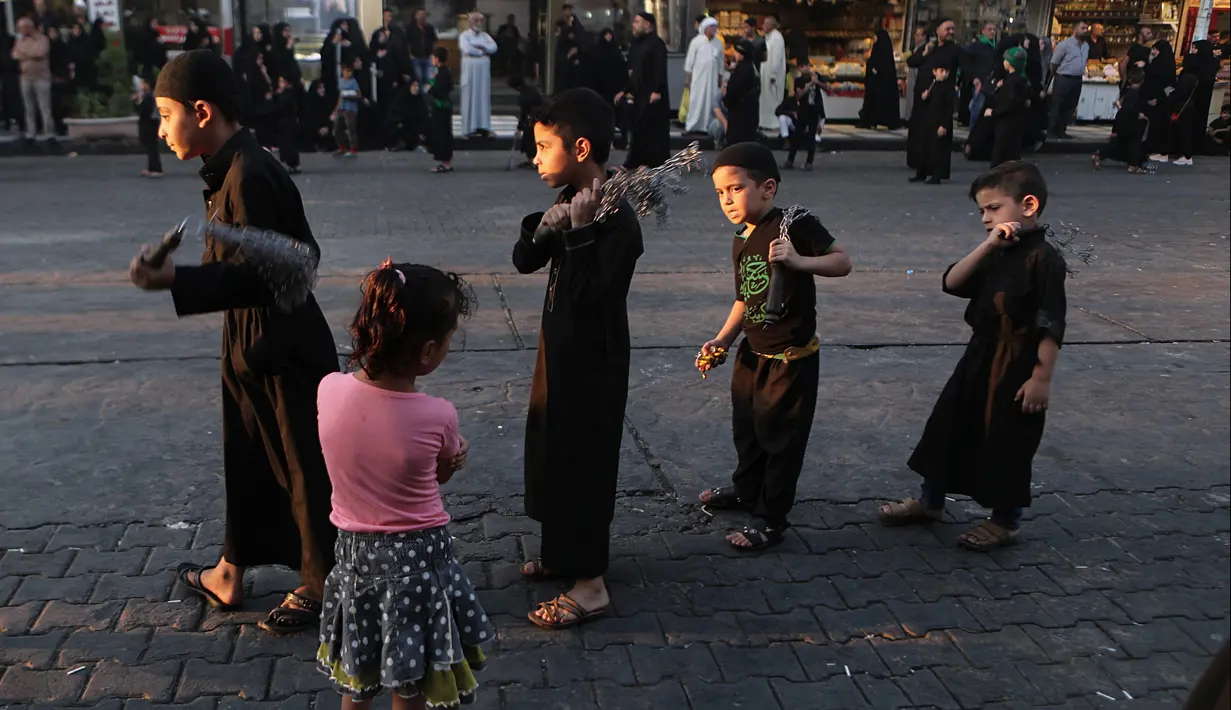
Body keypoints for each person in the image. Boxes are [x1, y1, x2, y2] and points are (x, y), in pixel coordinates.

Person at [126, 50, 339, 634]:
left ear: (202, 110)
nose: (161, 128)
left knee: (302, 465)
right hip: (251, 342)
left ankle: (323, 586)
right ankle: (230, 569)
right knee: (247, 457)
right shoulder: (227, 168)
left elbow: (266, 274)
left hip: (285, 346)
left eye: (167, 114)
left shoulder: (250, 173)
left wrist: (176, 279)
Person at [315, 260, 492, 710]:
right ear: (428, 351)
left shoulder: (328, 389)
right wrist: (453, 458)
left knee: (358, 674)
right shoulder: (438, 415)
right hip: (419, 566)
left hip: (354, 559)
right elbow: (437, 475)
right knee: (409, 680)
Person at [878, 161, 1067, 552]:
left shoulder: (1044, 259)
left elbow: (1051, 322)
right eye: (981, 211)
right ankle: (931, 501)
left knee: (1006, 441)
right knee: (948, 426)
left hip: (1017, 363)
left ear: (1028, 205)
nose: (985, 218)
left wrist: (1041, 378)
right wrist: (988, 245)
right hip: (979, 354)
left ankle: (1006, 521)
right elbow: (952, 282)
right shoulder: (998, 250)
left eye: (993, 208)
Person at [512, 88, 643, 630]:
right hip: (558, 353)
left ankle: (589, 584)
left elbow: (595, 297)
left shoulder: (617, 219)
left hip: (594, 361)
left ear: (581, 146)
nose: (535, 157)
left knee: (584, 462)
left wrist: (584, 231)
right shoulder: (570, 198)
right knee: (552, 452)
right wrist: (551, 226)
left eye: (544, 146)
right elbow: (523, 260)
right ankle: (562, 554)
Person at [696, 142, 852, 551]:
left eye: (735, 188)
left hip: (789, 359)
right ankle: (747, 491)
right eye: (719, 193)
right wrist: (723, 340)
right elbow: (745, 298)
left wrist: (800, 261)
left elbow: (842, 262)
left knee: (779, 440)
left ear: (767, 188)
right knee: (747, 432)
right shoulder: (741, 236)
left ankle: (771, 519)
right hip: (752, 353)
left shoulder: (794, 225)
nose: (727, 200)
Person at [906, 19, 961, 175]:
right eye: (947, 29)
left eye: (953, 29)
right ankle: (920, 165)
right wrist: (924, 52)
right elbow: (912, 62)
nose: (950, 32)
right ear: (937, 31)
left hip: (941, 99)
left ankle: (937, 170)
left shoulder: (955, 50)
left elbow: (965, 66)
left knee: (938, 135)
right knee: (921, 133)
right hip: (923, 98)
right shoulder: (930, 47)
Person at [621, 12, 670, 169]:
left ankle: (653, 161)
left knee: (651, 128)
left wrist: (657, 90)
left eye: (637, 22)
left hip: (652, 94)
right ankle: (638, 160)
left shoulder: (657, 44)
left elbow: (659, 68)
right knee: (639, 127)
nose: (634, 25)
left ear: (647, 24)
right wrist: (627, 89)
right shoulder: (636, 43)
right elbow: (632, 67)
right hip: (639, 94)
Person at [1091, 68, 1149, 172]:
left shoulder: (1128, 92)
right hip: (1130, 123)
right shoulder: (1135, 94)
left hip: (1124, 123)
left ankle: (1100, 155)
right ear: (1142, 81)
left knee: (1118, 143)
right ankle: (1133, 164)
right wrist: (1138, 114)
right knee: (1133, 144)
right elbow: (1129, 109)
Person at [11, 17, 55, 140]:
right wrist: (29, 54)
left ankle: (49, 134)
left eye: (22, 28)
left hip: (41, 78)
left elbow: (40, 53)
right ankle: (31, 133)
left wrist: (25, 54)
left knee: (44, 108)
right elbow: (15, 54)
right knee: (29, 108)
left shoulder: (42, 39)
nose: (20, 31)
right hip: (25, 78)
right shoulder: (20, 40)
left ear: (29, 27)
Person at [911, 64, 956, 184]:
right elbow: (927, 104)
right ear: (934, 72)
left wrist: (944, 125)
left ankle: (936, 175)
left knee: (937, 150)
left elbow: (949, 109)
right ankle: (921, 173)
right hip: (929, 121)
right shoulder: (933, 85)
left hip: (939, 122)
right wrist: (924, 97)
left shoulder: (948, 88)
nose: (944, 74)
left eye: (946, 71)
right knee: (924, 148)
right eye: (941, 71)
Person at [987, 47, 1031, 167]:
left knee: (1001, 151)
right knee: (1013, 152)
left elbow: (1009, 102)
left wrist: (993, 112)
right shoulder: (1022, 80)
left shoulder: (1012, 81)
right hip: (1018, 121)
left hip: (1007, 122)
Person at [1048, 21, 1090, 139]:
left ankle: (1062, 130)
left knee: (1070, 106)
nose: (1086, 30)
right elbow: (1053, 63)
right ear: (1075, 30)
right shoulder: (1065, 45)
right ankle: (1052, 131)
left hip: (1077, 79)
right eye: (1083, 28)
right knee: (1058, 104)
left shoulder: (1086, 46)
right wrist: (1057, 75)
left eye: (1087, 28)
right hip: (1064, 78)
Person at [459, 13, 497, 138]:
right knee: (470, 96)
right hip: (470, 70)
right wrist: (482, 51)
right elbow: (467, 49)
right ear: (470, 22)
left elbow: (494, 48)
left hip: (483, 72)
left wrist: (481, 46)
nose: (478, 23)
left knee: (483, 97)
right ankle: (468, 128)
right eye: (476, 20)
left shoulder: (485, 36)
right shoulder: (464, 35)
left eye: (480, 20)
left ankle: (484, 127)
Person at [776, 70, 823, 170]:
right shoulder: (800, 81)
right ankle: (790, 160)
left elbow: (828, 88)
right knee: (797, 136)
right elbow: (798, 95)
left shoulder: (818, 81)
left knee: (811, 137)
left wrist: (817, 82)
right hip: (803, 112)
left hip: (814, 113)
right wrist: (809, 85)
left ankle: (809, 161)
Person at [684, 17, 722, 134]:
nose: (714, 29)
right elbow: (690, 62)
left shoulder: (718, 43)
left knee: (711, 102)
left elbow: (720, 61)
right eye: (711, 27)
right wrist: (688, 79)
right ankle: (691, 126)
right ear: (705, 28)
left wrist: (720, 78)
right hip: (698, 79)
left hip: (712, 79)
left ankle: (707, 127)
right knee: (696, 100)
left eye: (715, 27)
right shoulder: (696, 41)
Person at [859, 28, 901, 130]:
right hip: (877, 85)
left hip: (878, 85)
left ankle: (874, 120)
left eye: (875, 38)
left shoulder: (882, 55)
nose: (874, 40)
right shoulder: (884, 55)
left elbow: (880, 69)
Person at [1142, 39, 1176, 162]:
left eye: (1155, 49)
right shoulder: (1168, 62)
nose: (1153, 51)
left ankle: (1160, 151)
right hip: (1162, 99)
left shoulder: (1160, 64)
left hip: (1158, 99)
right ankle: (1157, 150)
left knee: (1157, 124)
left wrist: (1155, 97)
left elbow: (1157, 81)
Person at [724, 40, 761, 145]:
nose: (735, 54)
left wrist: (726, 100)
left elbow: (734, 88)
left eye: (737, 52)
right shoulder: (751, 68)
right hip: (750, 111)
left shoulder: (742, 70)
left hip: (739, 112)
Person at [962, 22, 999, 126]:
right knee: (977, 109)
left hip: (990, 83)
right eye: (989, 29)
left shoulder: (994, 47)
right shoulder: (975, 46)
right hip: (979, 82)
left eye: (994, 30)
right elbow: (966, 63)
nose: (992, 32)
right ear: (983, 31)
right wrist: (973, 78)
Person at [427, 46, 454, 173]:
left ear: (437, 59)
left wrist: (431, 88)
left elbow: (440, 90)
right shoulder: (443, 71)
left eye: (433, 57)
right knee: (442, 133)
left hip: (441, 107)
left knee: (442, 134)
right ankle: (445, 161)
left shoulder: (443, 73)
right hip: (442, 107)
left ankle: (445, 161)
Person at [758, 15, 786, 133]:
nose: (763, 26)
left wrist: (773, 75)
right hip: (766, 74)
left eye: (765, 24)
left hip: (772, 76)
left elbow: (777, 58)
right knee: (765, 100)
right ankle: (765, 122)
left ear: (771, 25)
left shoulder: (777, 38)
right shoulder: (769, 37)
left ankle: (773, 123)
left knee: (772, 99)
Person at [510, 73, 544, 167]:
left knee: (528, 139)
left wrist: (519, 128)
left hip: (534, 118)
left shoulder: (523, 97)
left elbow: (524, 113)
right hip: (541, 116)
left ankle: (533, 161)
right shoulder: (532, 90)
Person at [386, 79, 429, 151]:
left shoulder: (420, 101)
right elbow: (395, 114)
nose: (416, 88)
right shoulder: (402, 99)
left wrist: (421, 131)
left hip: (416, 130)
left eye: (417, 86)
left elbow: (424, 116)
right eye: (414, 85)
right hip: (404, 127)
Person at [134, 74, 162, 177]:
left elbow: (145, 111)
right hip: (150, 123)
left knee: (152, 146)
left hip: (150, 123)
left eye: (143, 83)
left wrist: (139, 102)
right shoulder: (148, 95)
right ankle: (152, 168)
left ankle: (156, 168)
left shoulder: (150, 96)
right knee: (150, 147)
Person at [554, 4, 586, 93]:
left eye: (570, 10)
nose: (569, 13)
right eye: (567, 10)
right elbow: (559, 37)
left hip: (574, 60)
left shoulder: (576, 26)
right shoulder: (561, 25)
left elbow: (581, 41)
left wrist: (577, 56)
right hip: (564, 58)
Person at [332, 63, 362, 157]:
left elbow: (358, 95)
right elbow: (340, 96)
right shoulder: (341, 81)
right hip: (342, 108)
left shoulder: (353, 82)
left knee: (351, 129)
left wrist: (350, 94)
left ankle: (353, 149)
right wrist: (336, 109)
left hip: (350, 109)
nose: (348, 73)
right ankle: (342, 147)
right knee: (337, 129)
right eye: (346, 71)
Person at [273, 75, 301, 173]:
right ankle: (294, 164)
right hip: (289, 122)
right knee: (290, 143)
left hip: (286, 122)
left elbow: (279, 108)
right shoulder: (291, 94)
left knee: (287, 143)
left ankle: (290, 164)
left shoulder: (286, 96)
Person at [1119, 25, 1154, 90]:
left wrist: (1124, 80)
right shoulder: (1138, 48)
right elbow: (1123, 64)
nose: (1151, 35)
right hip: (1137, 84)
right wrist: (1124, 79)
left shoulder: (1139, 47)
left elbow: (1123, 64)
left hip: (1135, 83)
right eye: (1148, 33)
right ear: (1141, 35)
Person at [407, 9, 437, 84]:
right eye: (420, 14)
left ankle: (428, 94)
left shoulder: (430, 28)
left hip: (428, 57)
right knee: (418, 78)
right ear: (415, 16)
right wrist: (410, 55)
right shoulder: (410, 28)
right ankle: (420, 94)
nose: (422, 16)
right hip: (415, 57)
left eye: (423, 14)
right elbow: (407, 43)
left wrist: (433, 54)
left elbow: (434, 41)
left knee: (429, 78)